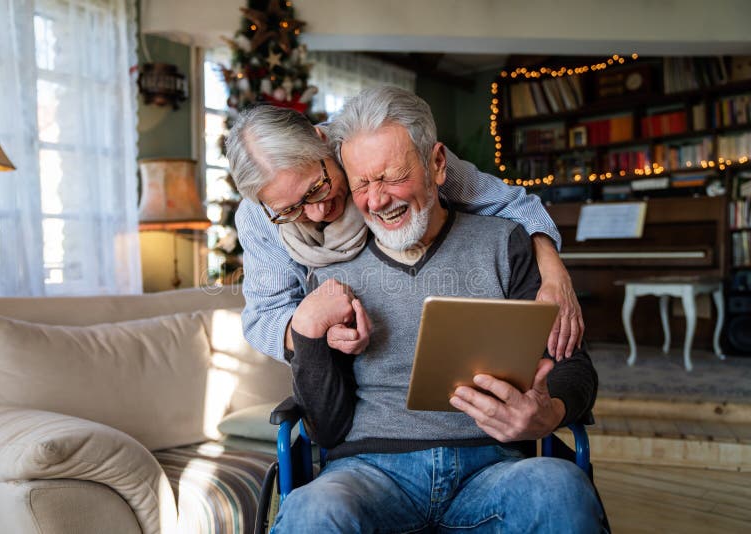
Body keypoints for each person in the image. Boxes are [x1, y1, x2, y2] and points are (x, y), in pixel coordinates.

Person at [270, 86, 603, 532]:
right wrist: (309, 335)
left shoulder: (505, 243)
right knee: (314, 511)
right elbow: (326, 430)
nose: (377, 200)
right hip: (369, 474)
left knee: (560, 488)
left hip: (493, 466)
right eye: (362, 184)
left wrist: (552, 413)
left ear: (437, 164)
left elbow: (573, 365)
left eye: (391, 176)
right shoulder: (329, 270)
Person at [226, 104, 584, 363]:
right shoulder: (259, 218)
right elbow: (264, 317)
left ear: (322, 141)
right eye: (290, 210)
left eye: (316, 188)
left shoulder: (378, 151)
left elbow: (511, 205)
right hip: (352, 373)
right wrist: (314, 332)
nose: (317, 212)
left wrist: (554, 273)